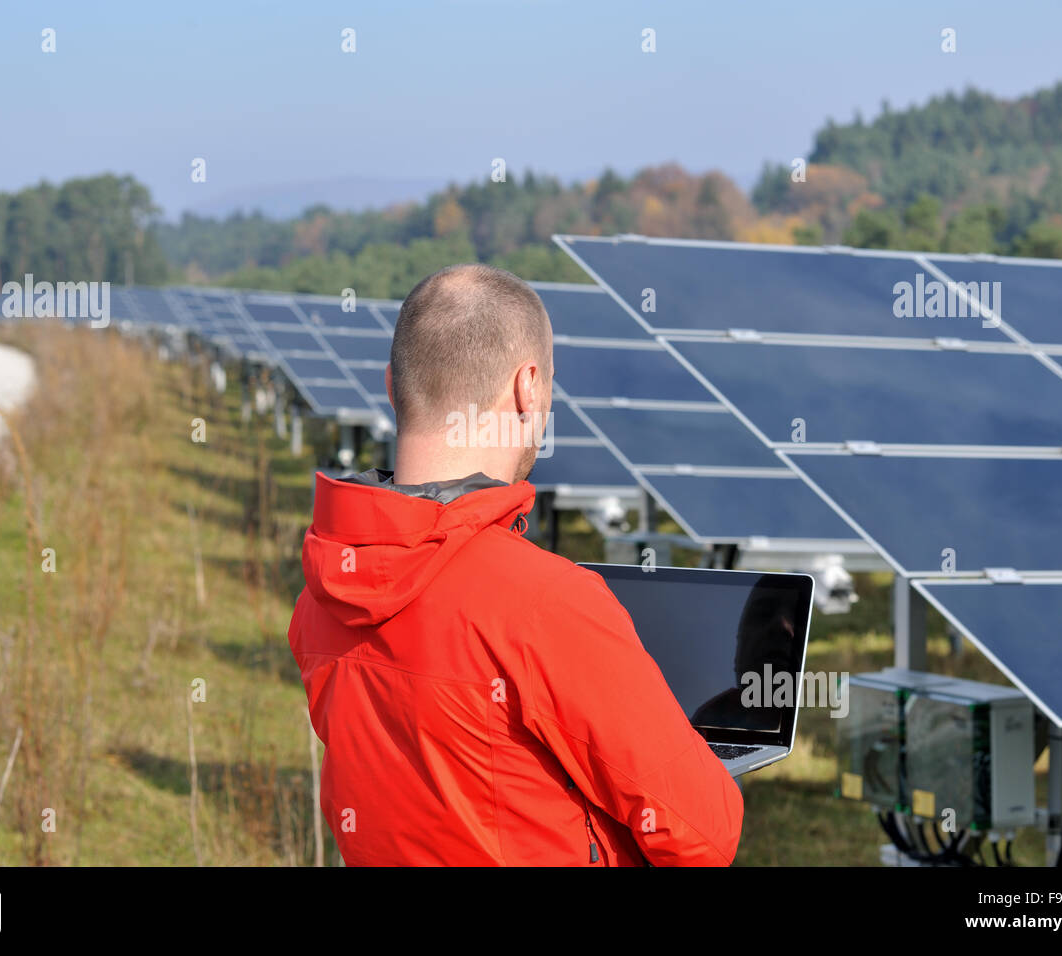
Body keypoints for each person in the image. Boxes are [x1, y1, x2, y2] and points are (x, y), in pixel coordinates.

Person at [287, 264, 743, 865]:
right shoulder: (546, 605)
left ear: (393, 386)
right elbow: (703, 834)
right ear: (528, 387)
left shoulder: (327, 589)